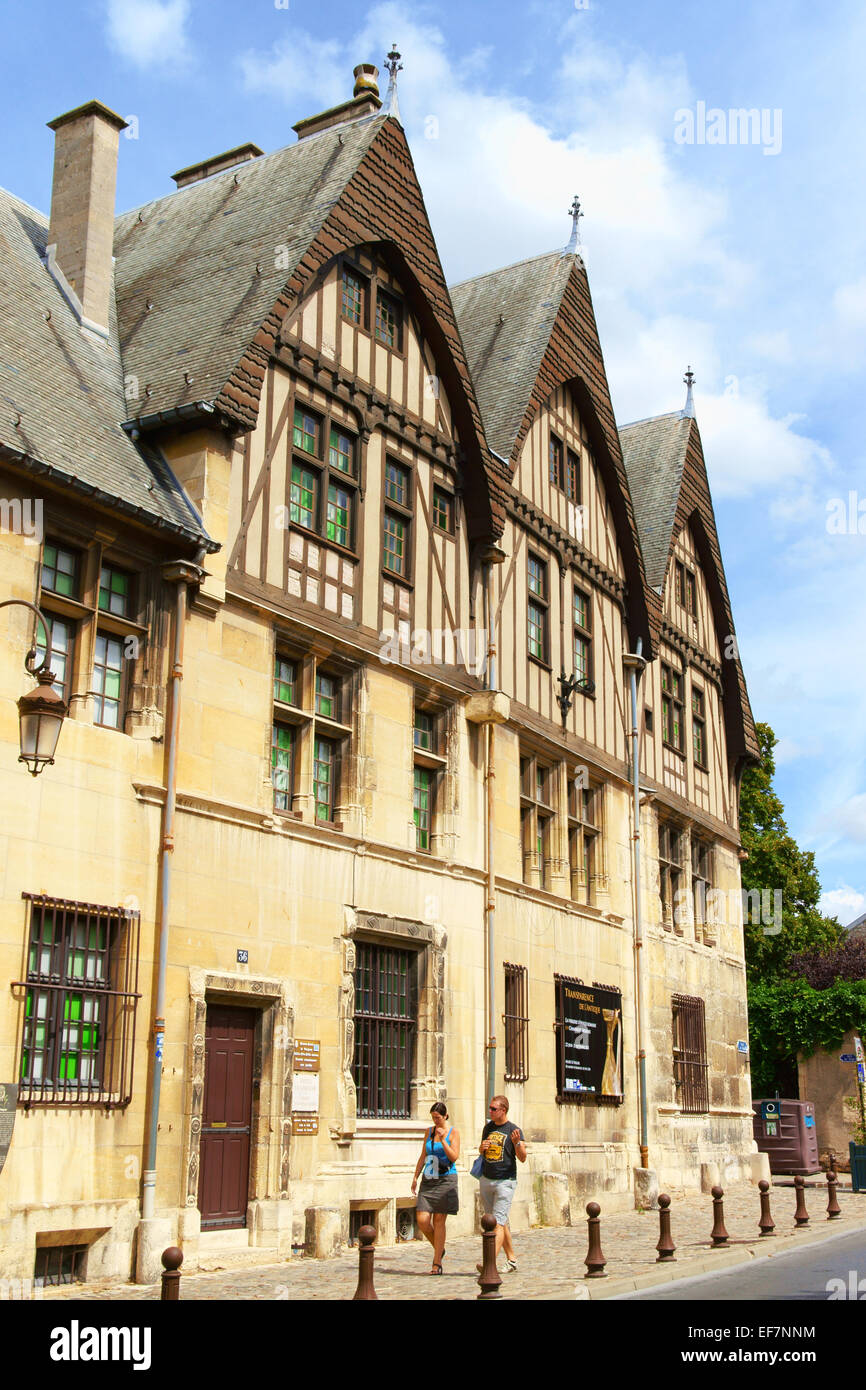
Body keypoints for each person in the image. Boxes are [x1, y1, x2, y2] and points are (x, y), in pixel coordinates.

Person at [477, 1094, 526, 1273]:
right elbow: (481, 1150)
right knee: (499, 1222)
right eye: (490, 1108)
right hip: (487, 1178)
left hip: (505, 1181)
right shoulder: (488, 1128)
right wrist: (481, 1149)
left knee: (496, 1223)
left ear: (503, 1110)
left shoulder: (514, 1130)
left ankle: (489, 1264)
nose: (490, 1111)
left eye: (493, 1109)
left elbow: (522, 1158)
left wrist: (517, 1143)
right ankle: (512, 1259)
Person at [411, 1101, 460, 1274]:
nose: (435, 1121)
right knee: (423, 1220)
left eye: (438, 1118)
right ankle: (439, 1248)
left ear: (445, 1116)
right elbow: (423, 1155)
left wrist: (443, 1141)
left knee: (439, 1221)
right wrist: (415, 1176)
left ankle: (436, 1262)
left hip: (446, 1178)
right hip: (429, 1177)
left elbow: (454, 1157)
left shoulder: (453, 1133)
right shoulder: (429, 1132)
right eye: (433, 1118)